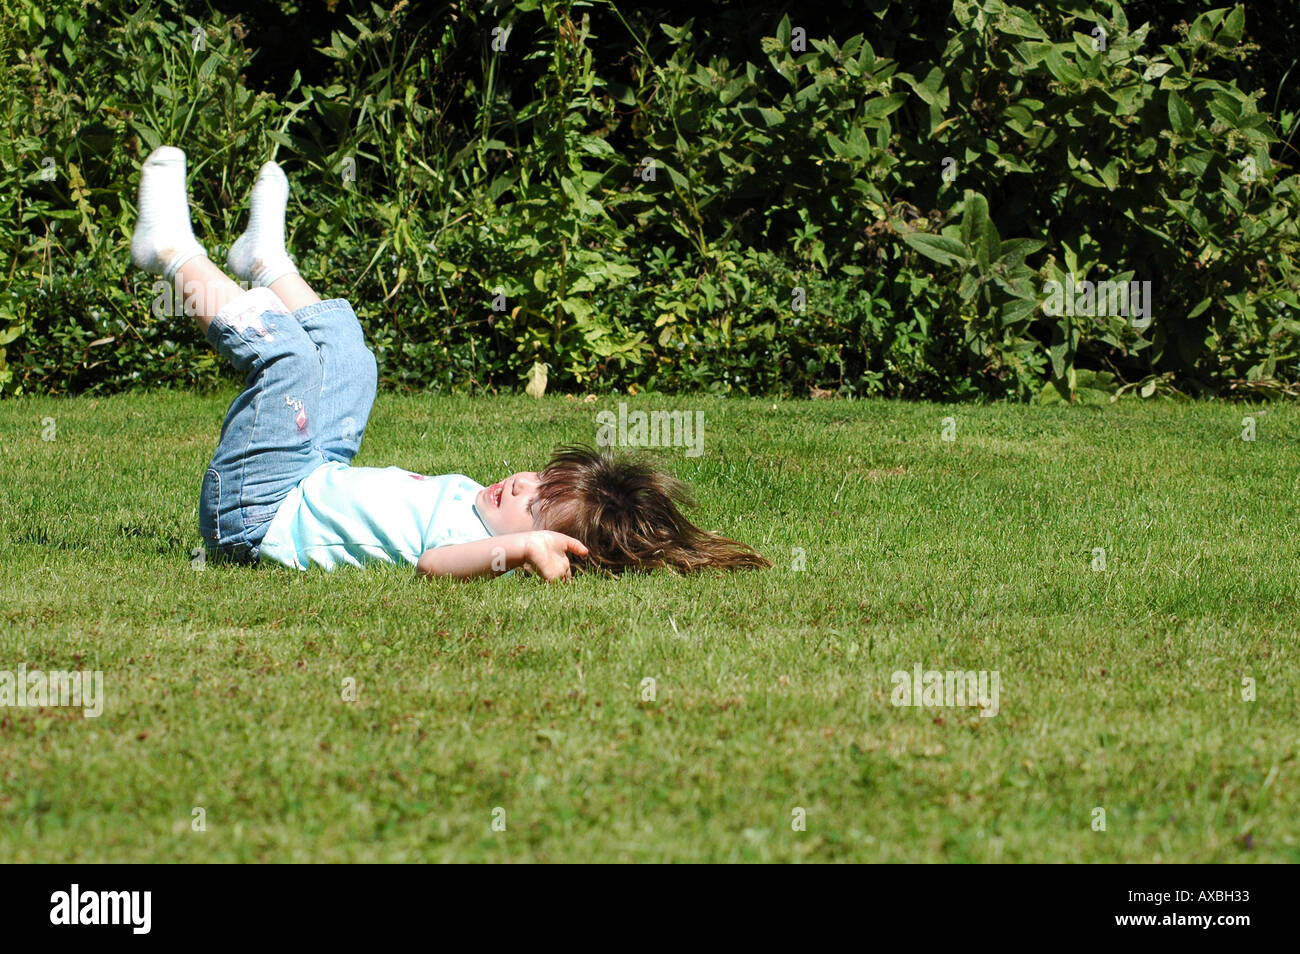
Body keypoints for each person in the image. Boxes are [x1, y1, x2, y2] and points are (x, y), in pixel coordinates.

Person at [129, 146, 770, 580]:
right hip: (311, 470)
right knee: (353, 359)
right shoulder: (477, 503)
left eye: (537, 506)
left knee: (292, 361)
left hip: (257, 513)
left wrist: (520, 550)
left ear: (542, 543)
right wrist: (527, 530)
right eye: (539, 478)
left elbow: (433, 568)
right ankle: (266, 264)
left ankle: (172, 253)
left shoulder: (480, 545)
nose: (521, 485)